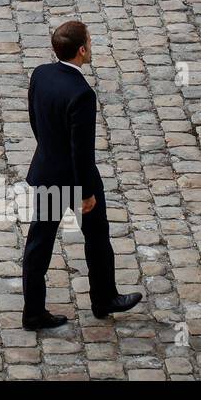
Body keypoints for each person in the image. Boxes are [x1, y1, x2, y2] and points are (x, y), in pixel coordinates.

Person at [21, 21, 142, 330]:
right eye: (89, 41)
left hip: (47, 170)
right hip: (73, 179)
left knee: (39, 243)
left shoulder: (41, 74)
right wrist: (86, 192)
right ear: (82, 50)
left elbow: (35, 119)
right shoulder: (81, 94)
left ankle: (33, 310)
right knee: (97, 236)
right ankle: (104, 298)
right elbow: (82, 151)